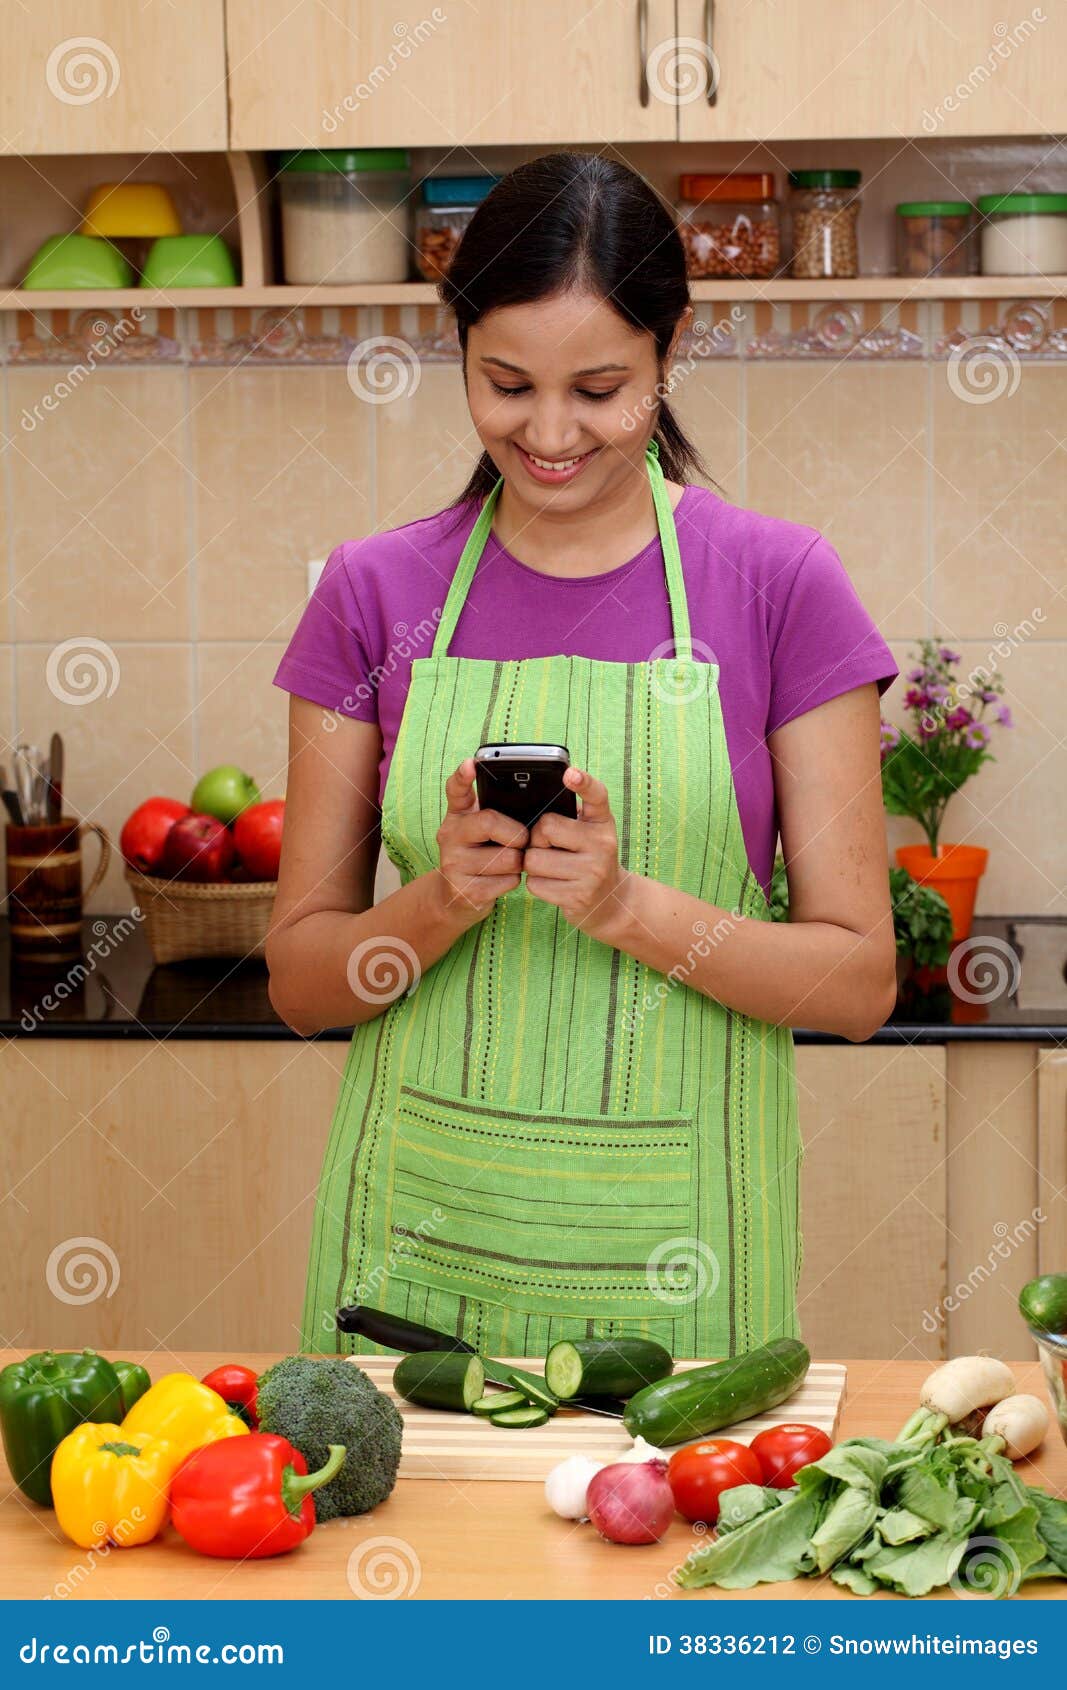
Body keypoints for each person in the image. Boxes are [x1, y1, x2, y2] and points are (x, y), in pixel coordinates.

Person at [268, 152, 899, 1361]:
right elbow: (301, 988)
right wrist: (444, 899)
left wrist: (622, 905)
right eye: (505, 384)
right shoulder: (372, 591)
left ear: (670, 353)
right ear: (455, 346)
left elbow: (857, 985)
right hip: (414, 1267)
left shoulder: (777, 586)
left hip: (677, 1279)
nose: (550, 435)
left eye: (601, 388)